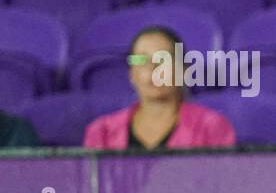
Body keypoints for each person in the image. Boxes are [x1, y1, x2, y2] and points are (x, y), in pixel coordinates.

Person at [82, 27, 236, 150]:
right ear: (132, 73)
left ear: (183, 70)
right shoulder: (102, 131)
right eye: (142, 60)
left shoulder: (211, 127)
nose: (153, 68)